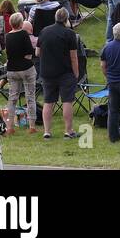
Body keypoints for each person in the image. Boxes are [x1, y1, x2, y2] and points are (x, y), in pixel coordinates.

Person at [36, 7, 79, 139]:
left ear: (55, 18)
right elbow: (73, 57)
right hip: (65, 72)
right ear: (66, 19)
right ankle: (68, 130)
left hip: (47, 72)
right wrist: (76, 73)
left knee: (48, 101)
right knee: (67, 101)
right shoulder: (70, 34)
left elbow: (37, 53)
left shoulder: (44, 31)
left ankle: (47, 131)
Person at [3, 12, 37, 135]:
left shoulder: (7, 36)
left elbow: (8, 54)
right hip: (26, 68)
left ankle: (10, 126)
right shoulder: (23, 34)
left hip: (12, 69)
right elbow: (29, 52)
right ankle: (32, 125)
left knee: (12, 98)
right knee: (30, 96)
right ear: (21, 23)